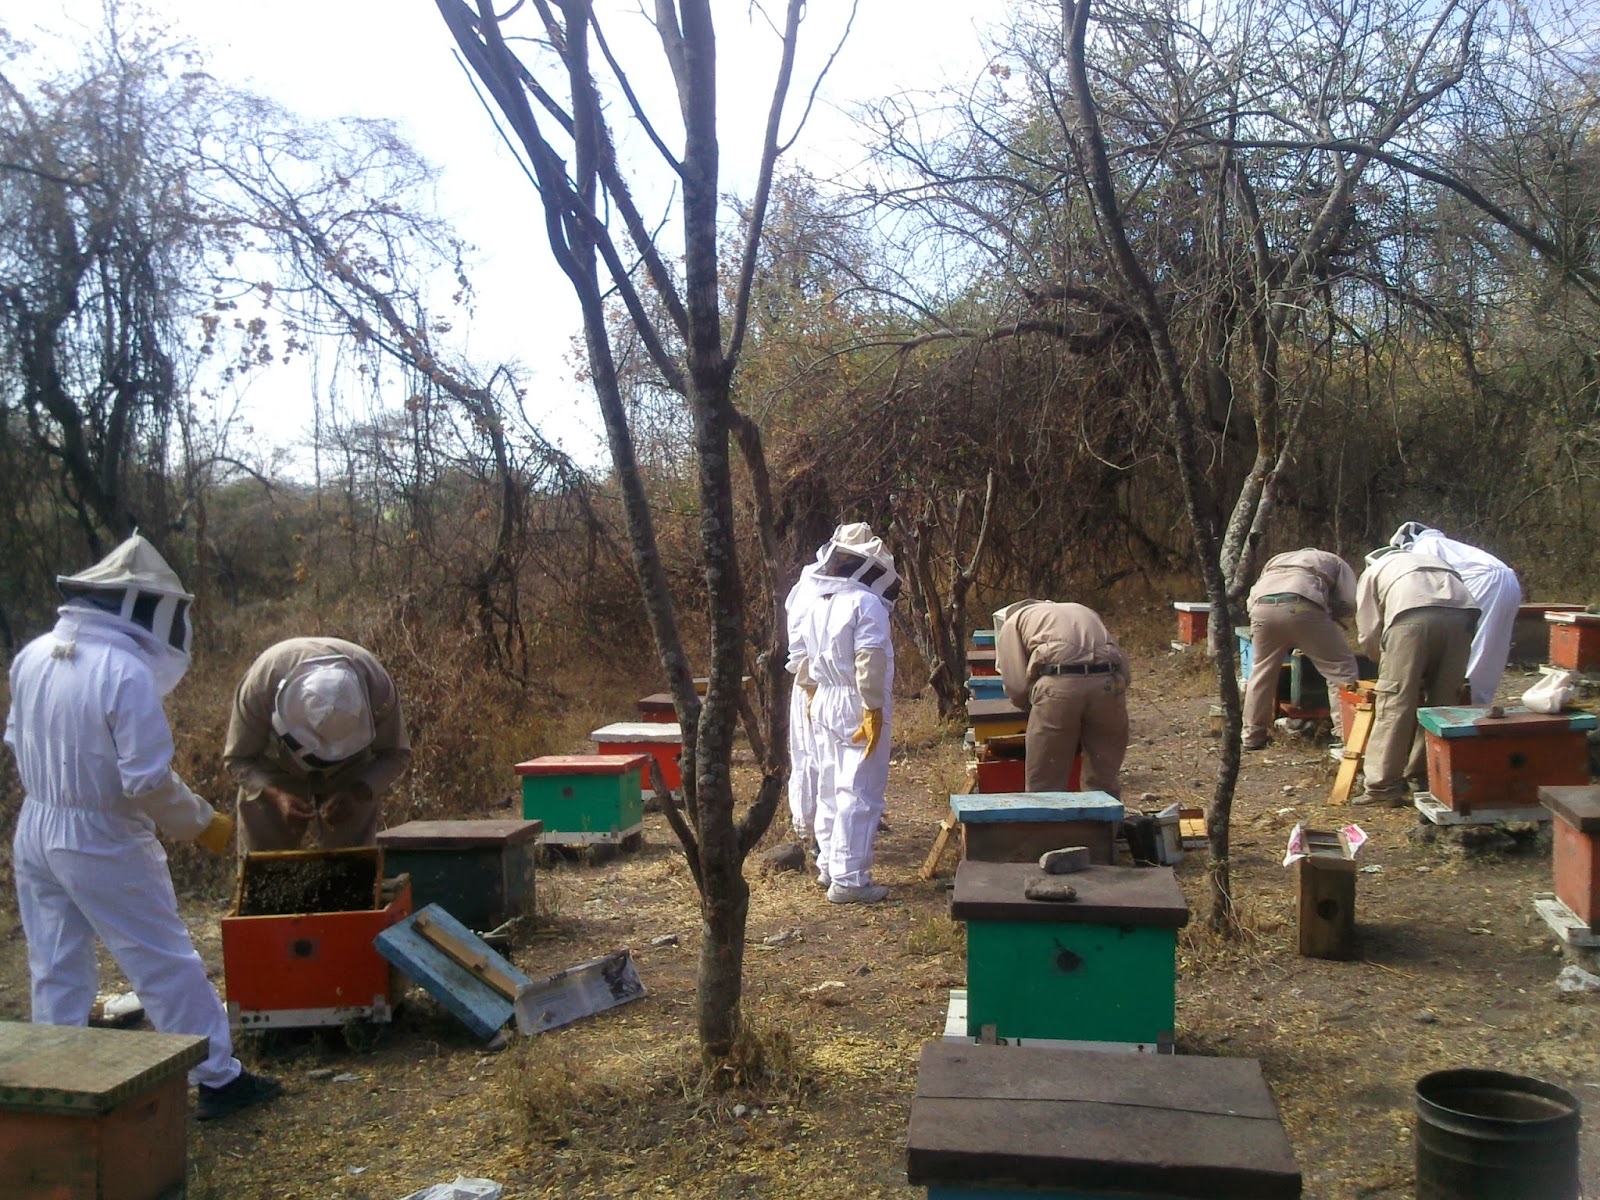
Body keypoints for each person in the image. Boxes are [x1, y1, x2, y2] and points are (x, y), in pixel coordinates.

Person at [4, 534, 281, 1120]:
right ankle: (218, 1080)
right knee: (163, 960)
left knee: (54, 964)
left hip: (35, 829)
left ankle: (58, 1090)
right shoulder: (123, 671)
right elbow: (148, 782)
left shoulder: (31, 654)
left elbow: (14, 742)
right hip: (102, 836)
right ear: (144, 607)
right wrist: (205, 824)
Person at [792, 523, 898, 904]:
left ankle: (828, 867)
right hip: (856, 702)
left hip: (823, 699)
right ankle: (850, 880)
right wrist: (873, 709)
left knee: (830, 786)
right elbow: (869, 659)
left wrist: (811, 694)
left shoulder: (818, 602)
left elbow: (801, 655)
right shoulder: (865, 603)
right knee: (860, 790)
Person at [224, 638, 410, 852]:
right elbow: (239, 758)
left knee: (352, 860)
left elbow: (395, 753)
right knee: (262, 859)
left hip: (350, 769)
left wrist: (357, 791)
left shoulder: (377, 687)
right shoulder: (260, 685)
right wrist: (277, 797)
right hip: (276, 766)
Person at [1354, 547, 1479, 806]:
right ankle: (1426, 777)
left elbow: (1368, 632)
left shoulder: (1374, 570)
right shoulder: (1437, 561)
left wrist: (1384, 663)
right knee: (1443, 706)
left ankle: (1382, 786)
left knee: (1394, 702)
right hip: (1463, 618)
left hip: (1409, 618)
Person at [996, 600, 1130, 797]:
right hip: (1109, 683)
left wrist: (1034, 707)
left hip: (1058, 685)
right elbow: (1125, 670)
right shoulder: (1083, 609)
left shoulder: (1013, 622)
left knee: (1045, 784)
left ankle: (1049, 828)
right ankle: (1106, 827)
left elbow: (1015, 683)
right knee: (1103, 780)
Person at [1389, 522, 1521, 704]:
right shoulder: (1450, 546)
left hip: (1481, 581)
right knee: (1492, 648)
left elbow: (1429, 590)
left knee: (1470, 645)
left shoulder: (1424, 548)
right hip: (1510, 580)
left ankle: (1465, 702)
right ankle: (1479, 701)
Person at [1241, 550, 1359, 750]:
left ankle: (1252, 735)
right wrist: (1331, 614)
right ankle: (1345, 735)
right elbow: (1349, 600)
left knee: (1261, 671)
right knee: (1341, 668)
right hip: (1303, 606)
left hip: (1261, 608)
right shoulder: (1335, 561)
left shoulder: (1276, 558)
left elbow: (1257, 590)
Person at [783, 556, 824, 860]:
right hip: (812, 682)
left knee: (820, 757)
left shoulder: (808, 586)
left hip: (823, 683)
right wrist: (810, 687)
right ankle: (813, 833)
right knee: (812, 756)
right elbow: (799, 647)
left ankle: (819, 831)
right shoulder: (810, 587)